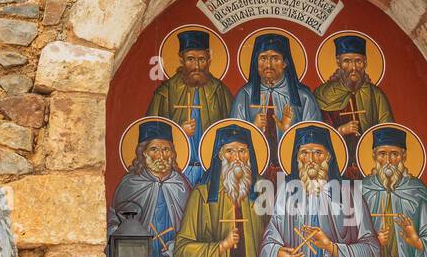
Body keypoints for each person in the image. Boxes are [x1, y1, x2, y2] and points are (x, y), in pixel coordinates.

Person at [259, 124, 380, 257]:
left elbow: (370, 247)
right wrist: (276, 254)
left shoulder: (349, 195)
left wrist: (331, 247)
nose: (311, 159)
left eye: (318, 152)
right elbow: (271, 238)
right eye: (305, 153)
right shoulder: (286, 193)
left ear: (328, 157)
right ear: (297, 158)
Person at [174, 123, 266, 257]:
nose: (237, 157)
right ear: (220, 155)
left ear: (249, 154)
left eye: (242, 151)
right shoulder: (202, 194)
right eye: (230, 151)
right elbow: (182, 249)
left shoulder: (263, 190)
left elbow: (272, 238)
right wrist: (222, 246)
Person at [360, 126, 427, 257]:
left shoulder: (417, 191)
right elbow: (348, 238)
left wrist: (418, 242)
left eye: (394, 154)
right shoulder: (362, 190)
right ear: (373, 156)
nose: (388, 160)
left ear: (404, 156)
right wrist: (373, 241)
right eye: (382, 154)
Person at [107, 121, 191, 257]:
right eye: (154, 149)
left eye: (166, 149)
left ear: (173, 153)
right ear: (143, 153)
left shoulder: (181, 185)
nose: (161, 155)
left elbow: (193, 228)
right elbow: (113, 223)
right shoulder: (130, 184)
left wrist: (181, 249)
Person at [147, 29, 231, 185]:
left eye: (202, 59)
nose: (197, 66)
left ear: (209, 59)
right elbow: (149, 135)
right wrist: (179, 132)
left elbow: (234, 131)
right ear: (182, 60)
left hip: (212, 171)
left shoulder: (220, 91)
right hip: (175, 172)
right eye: (190, 59)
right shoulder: (166, 92)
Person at [230, 31, 320, 173]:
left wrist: (289, 132)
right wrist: (254, 127)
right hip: (253, 171)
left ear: (285, 63)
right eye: (263, 58)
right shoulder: (245, 95)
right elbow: (231, 140)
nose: (269, 64)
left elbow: (316, 140)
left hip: (293, 171)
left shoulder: (303, 97)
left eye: (275, 58)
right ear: (256, 62)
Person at [314, 33, 393, 177]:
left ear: (365, 62)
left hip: (368, 168)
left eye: (358, 61)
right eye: (347, 61)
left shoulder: (376, 96)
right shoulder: (324, 95)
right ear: (338, 62)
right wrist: (341, 130)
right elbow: (315, 135)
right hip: (333, 168)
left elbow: (388, 133)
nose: (353, 67)